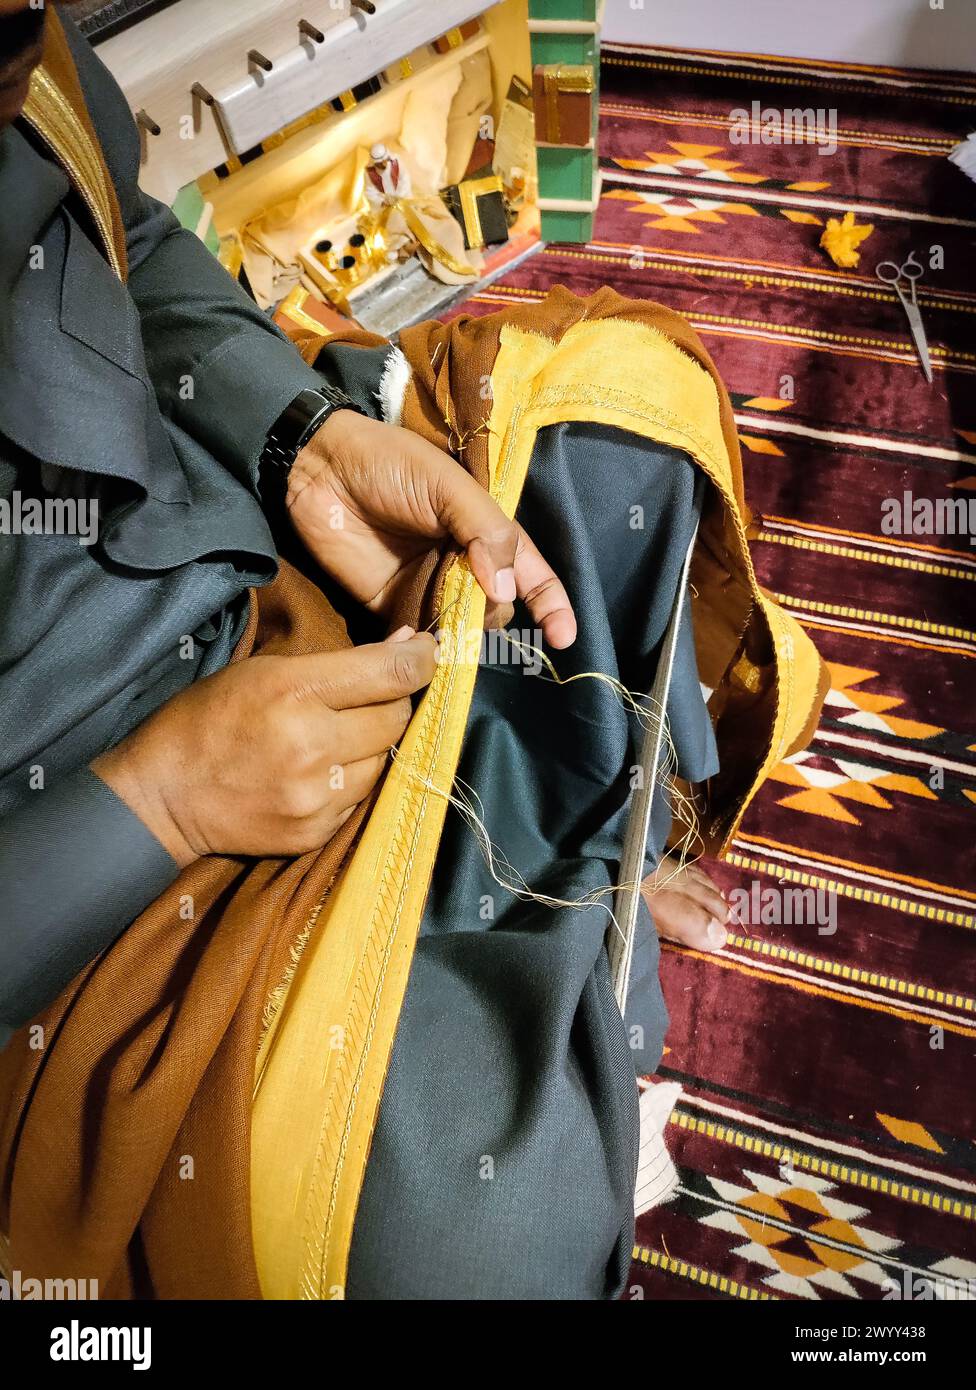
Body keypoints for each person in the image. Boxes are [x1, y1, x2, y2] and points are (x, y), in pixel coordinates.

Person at [0, 3, 823, 1299]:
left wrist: (302, 439)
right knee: (472, 1249)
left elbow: (128, 241)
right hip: (100, 895)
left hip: (271, 584)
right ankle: (563, 881)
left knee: (625, 423)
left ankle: (562, 871)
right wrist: (158, 800)